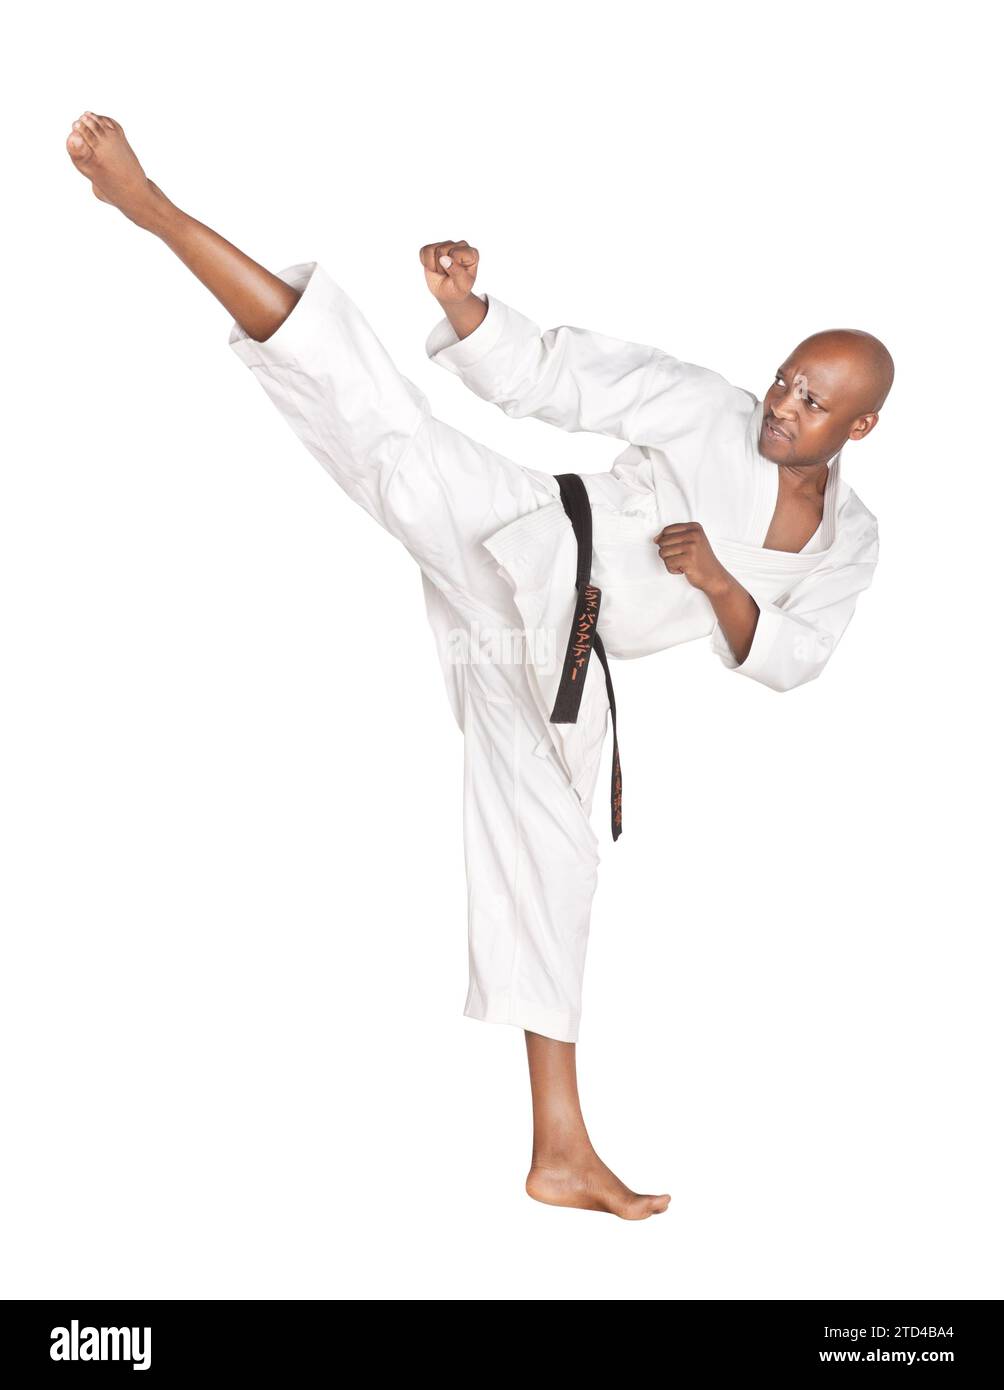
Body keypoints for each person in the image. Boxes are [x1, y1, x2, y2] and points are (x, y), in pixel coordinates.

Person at [65, 111, 892, 1220]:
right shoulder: (710, 408)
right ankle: (151, 205)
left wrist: (722, 587)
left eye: (810, 402)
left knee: (558, 865)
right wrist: (468, 314)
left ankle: (560, 1150)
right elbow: (566, 378)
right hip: (528, 533)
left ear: (860, 426)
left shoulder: (850, 541)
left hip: (554, 648)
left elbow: (795, 658)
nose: (782, 408)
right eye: (785, 381)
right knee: (374, 411)